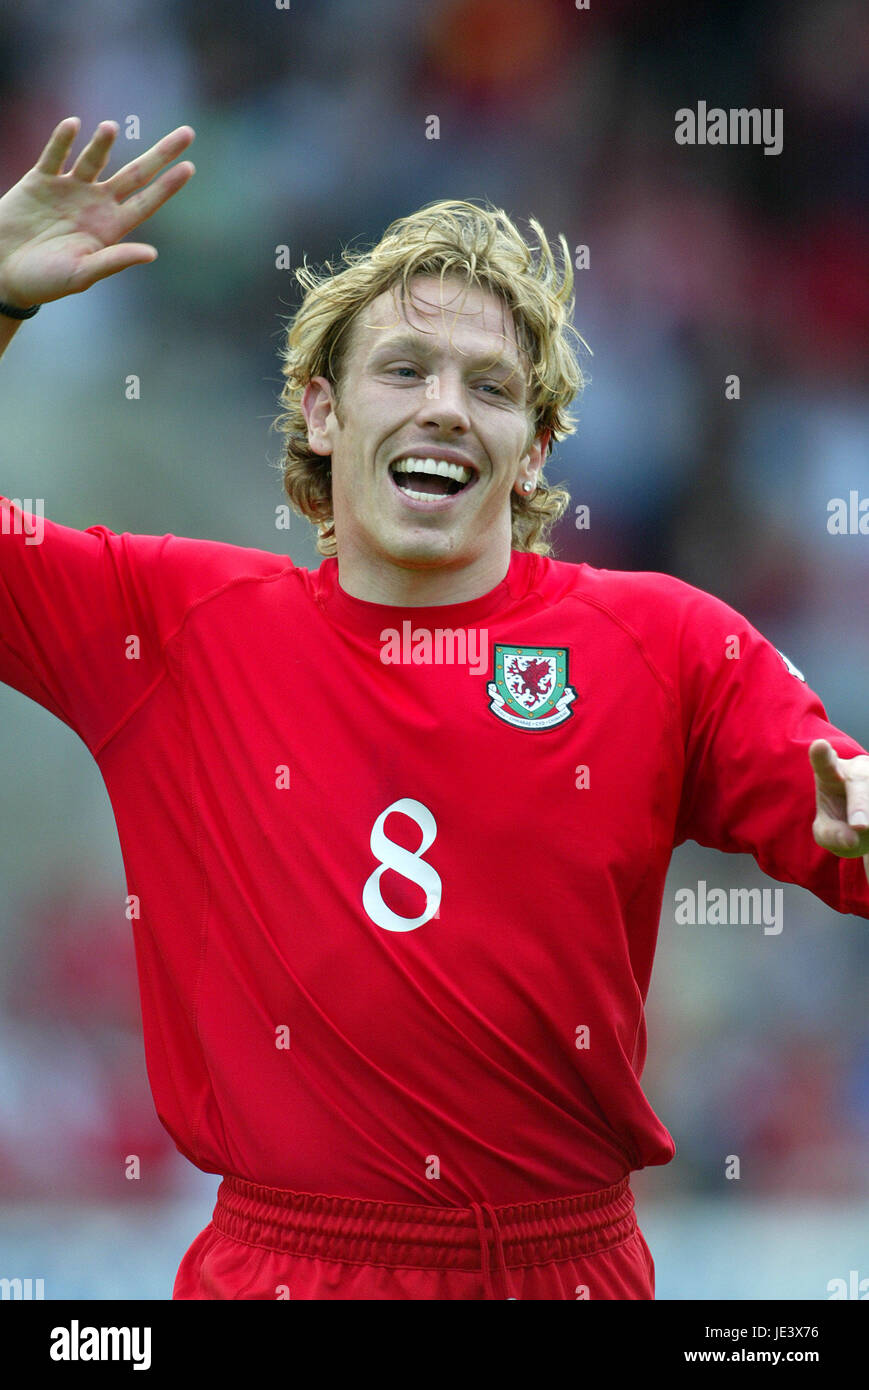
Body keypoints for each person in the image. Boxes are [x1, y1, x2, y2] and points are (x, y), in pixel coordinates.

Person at [1, 118, 867, 1302]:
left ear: (534, 448)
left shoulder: (665, 643)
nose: (447, 407)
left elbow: (839, 812)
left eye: (490, 387)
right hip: (286, 1271)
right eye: (404, 370)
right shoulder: (175, 623)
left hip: (564, 1270)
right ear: (321, 414)